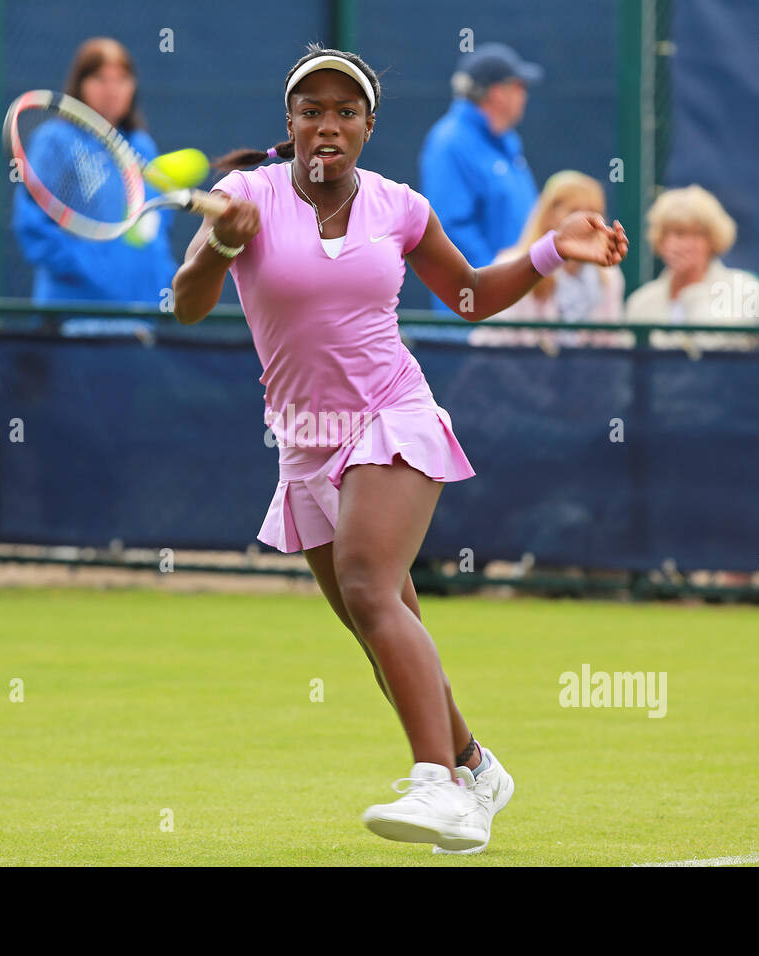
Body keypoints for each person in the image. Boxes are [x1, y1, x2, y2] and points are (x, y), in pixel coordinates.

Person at [172, 44, 627, 853]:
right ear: (291, 123)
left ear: (368, 126)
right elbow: (187, 305)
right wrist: (224, 244)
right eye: (311, 111)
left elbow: (470, 296)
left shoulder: (400, 207)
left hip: (392, 414)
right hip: (302, 443)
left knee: (369, 587)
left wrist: (554, 248)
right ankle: (476, 767)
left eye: (345, 112)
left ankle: (439, 788)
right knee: (378, 623)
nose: (327, 126)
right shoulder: (245, 195)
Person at [11, 38, 177, 311]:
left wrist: (158, 278)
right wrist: (93, 270)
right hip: (74, 316)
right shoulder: (55, 141)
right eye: (100, 78)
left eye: (122, 79)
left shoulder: (143, 146)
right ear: (80, 84)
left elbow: (156, 225)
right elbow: (33, 226)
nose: (112, 90)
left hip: (143, 318)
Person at [419, 43, 542, 314]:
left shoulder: (507, 140)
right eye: (520, 86)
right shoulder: (448, 143)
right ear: (498, 93)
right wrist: (497, 286)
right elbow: (450, 229)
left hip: (514, 307)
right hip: (475, 319)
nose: (525, 95)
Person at [471, 170, 626, 348]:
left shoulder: (610, 277)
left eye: (594, 212)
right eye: (574, 211)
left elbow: (612, 348)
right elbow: (493, 345)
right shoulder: (511, 264)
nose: (586, 221)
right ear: (549, 214)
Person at [623, 185, 759, 350]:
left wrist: (693, 290)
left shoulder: (744, 288)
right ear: (661, 240)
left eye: (696, 234)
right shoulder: (641, 302)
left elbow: (714, 349)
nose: (684, 244)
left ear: (712, 239)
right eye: (677, 234)